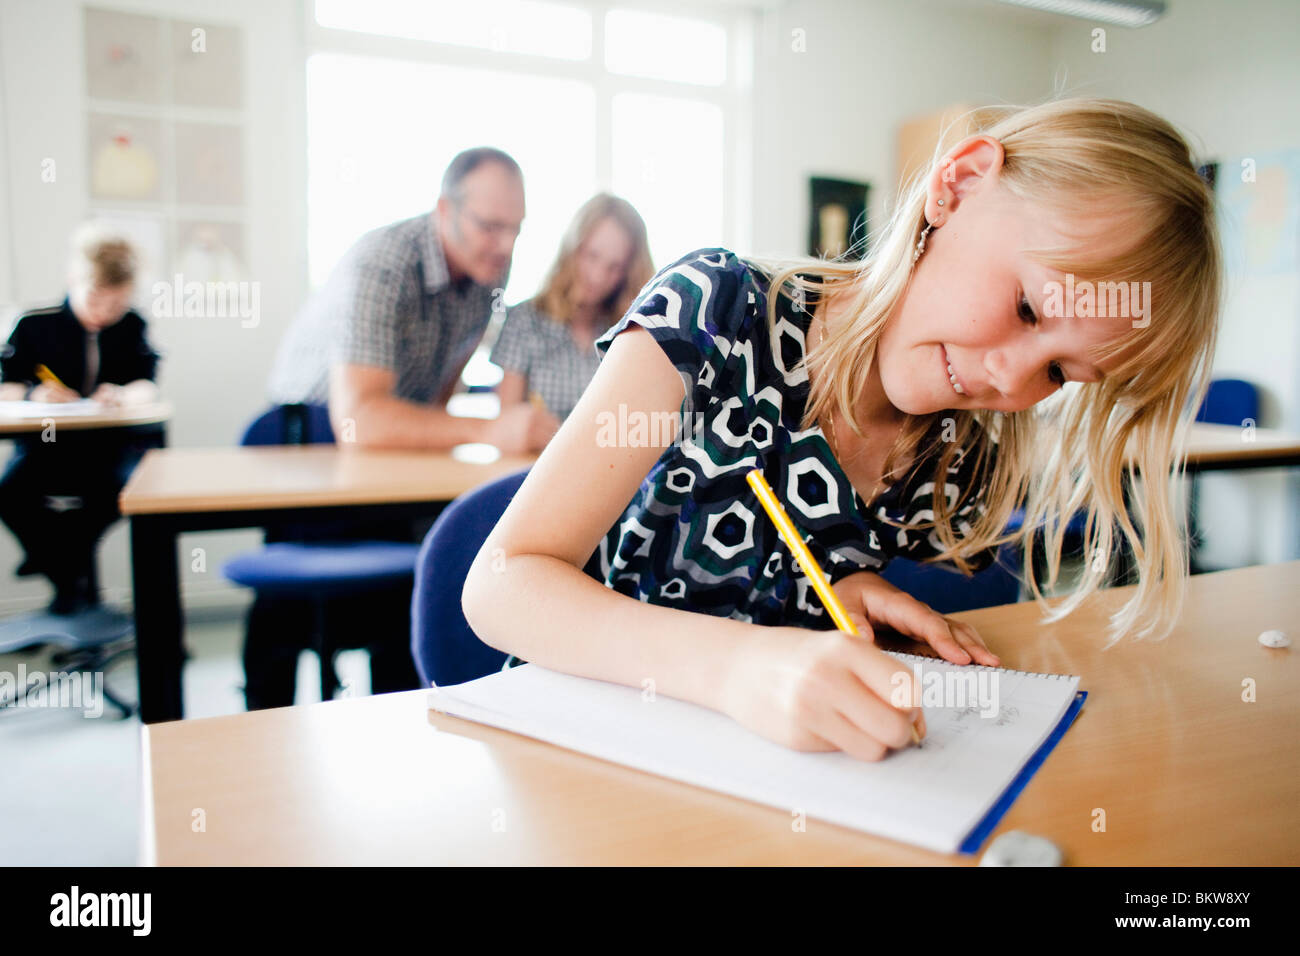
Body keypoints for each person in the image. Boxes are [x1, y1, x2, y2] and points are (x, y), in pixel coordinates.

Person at [462, 98, 1222, 762]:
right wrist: (737, 667)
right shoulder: (716, 313)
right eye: (1027, 307)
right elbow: (503, 587)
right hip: (586, 757)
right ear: (957, 186)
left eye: (1059, 373)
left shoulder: (960, 455)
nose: (1011, 378)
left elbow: (781, 565)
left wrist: (840, 590)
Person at [267, 146, 559, 452]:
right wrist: (488, 430)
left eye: (516, 228)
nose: (506, 245)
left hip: (390, 435)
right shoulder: (383, 263)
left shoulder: (488, 265)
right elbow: (359, 422)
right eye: (490, 226)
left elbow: (449, 372)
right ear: (445, 210)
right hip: (306, 433)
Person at [0, 223, 162, 614]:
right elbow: (5, 385)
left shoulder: (131, 326)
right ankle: (68, 572)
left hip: (108, 451)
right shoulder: (35, 324)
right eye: (96, 299)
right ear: (75, 279)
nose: (104, 313)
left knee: (132, 489)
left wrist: (121, 394)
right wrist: (34, 393)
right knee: (9, 492)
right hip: (47, 449)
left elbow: (148, 383)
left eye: (116, 304)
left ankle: (64, 569)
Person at [491, 193, 654, 421]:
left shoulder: (628, 333)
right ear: (572, 248)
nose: (598, 277)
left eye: (614, 267)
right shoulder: (525, 320)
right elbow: (507, 424)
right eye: (592, 256)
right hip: (537, 457)